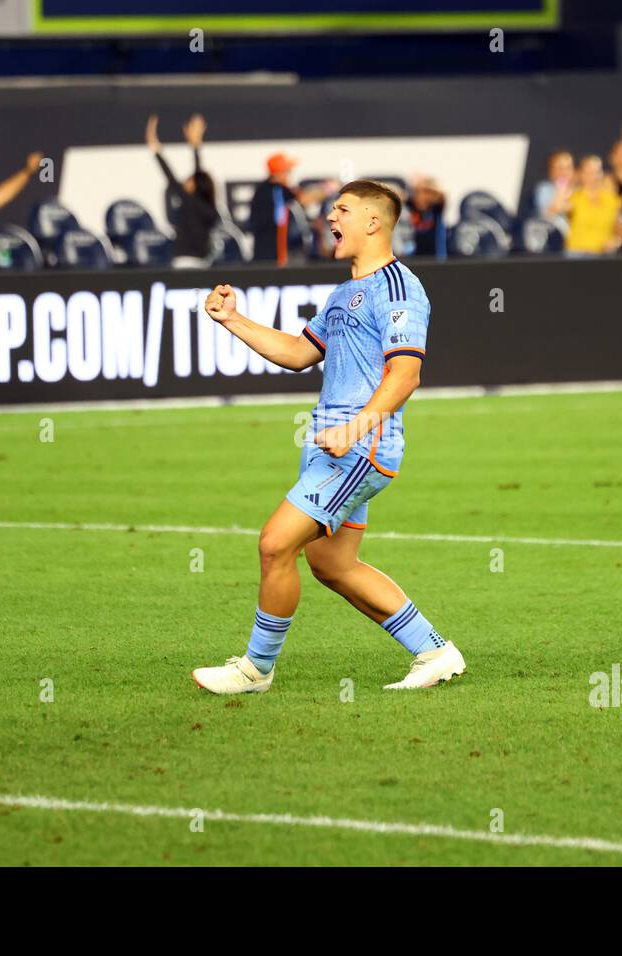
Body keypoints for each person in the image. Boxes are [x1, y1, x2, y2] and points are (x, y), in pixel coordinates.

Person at [191, 179, 464, 694]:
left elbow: (405, 375)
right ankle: (435, 651)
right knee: (332, 564)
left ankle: (255, 669)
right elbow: (298, 353)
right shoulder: (343, 293)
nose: (329, 218)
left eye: (341, 209)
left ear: (374, 221)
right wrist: (232, 320)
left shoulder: (401, 290)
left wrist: (357, 427)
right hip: (328, 441)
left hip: (361, 444)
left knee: (275, 545)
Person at [146, 112, 219, 268]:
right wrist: (195, 146)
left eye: (190, 180)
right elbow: (196, 176)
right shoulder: (209, 208)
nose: (186, 181)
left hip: (186, 262)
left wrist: (156, 150)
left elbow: (170, 176)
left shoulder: (190, 201)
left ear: (197, 186)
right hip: (200, 262)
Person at [248, 153, 328, 266]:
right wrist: (327, 189)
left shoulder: (264, 190)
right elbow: (304, 199)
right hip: (272, 255)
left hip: (268, 253)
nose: (289, 175)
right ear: (278, 173)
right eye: (287, 171)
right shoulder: (276, 190)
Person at [566, 155, 622, 254]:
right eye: (588, 172)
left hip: (603, 255)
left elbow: (620, 229)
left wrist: (617, 241)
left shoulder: (611, 199)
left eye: (597, 172)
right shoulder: (573, 197)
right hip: (576, 253)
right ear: (581, 174)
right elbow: (555, 211)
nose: (593, 177)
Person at [405, 175, 447, 257]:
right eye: (417, 192)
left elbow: (442, 194)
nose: (420, 196)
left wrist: (424, 185)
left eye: (425, 193)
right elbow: (398, 195)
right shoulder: (411, 206)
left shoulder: (436, 208)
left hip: (434, 257)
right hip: (415, 257)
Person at [533, 150, 574, 224]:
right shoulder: (544, 189)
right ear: (551, 170)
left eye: (568, 167)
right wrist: (561, 192)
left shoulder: (579, 190)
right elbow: (546, 215)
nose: (564, 172)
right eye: (560, 168)